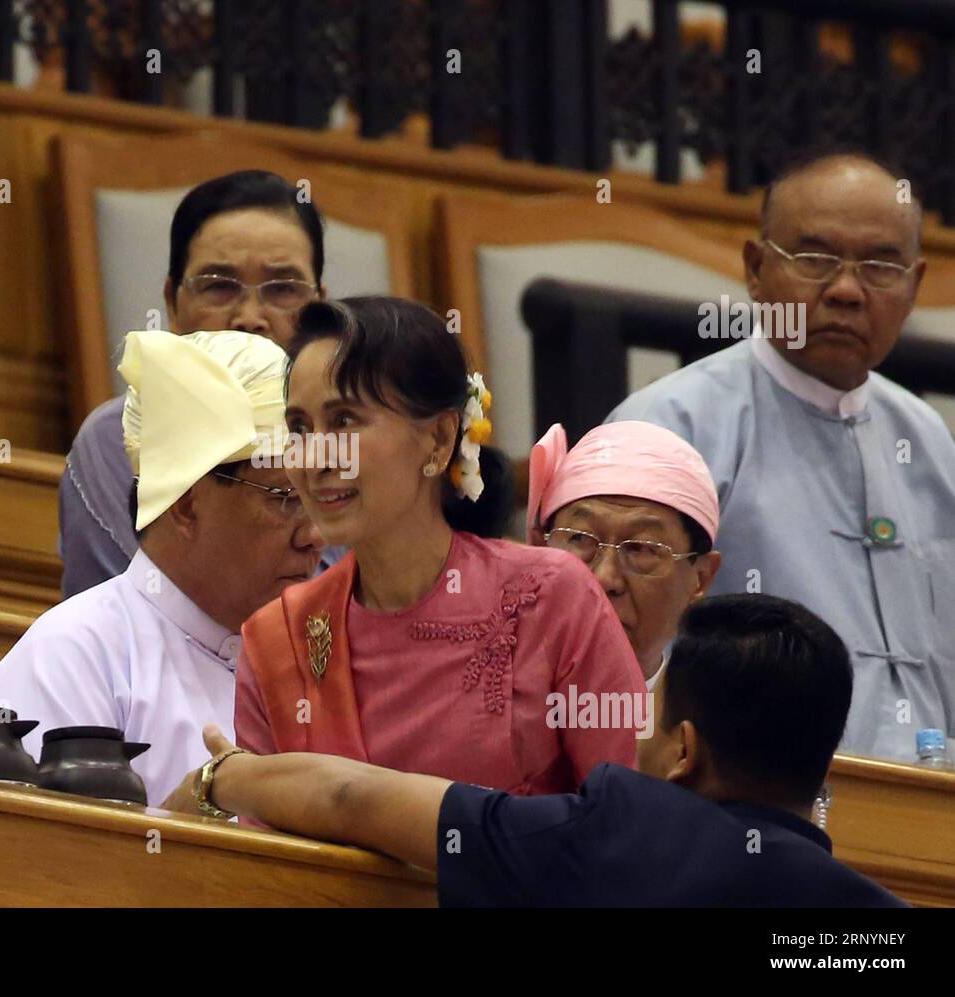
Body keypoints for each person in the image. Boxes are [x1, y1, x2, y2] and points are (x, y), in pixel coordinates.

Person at [196, 594, 905, 907]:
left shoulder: (619, 833)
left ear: (683, 749)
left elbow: (350, 797)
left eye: (651, 722)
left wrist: (223, 777)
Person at [607, 148, 955, 763]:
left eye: (880, 265)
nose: (846, 291)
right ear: (755, 266)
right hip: (751, 811)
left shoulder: (927, 438)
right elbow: (614, 659)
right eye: (817, 259)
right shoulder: (670, 427)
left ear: (915, 285)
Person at [231, 297, 645, 801]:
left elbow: (628, 824)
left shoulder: (552, 599)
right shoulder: (279, 640)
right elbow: (266, 860)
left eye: (344, 422)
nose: (314, 458)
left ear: (439, 439)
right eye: (299, 428)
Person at [0, 329, 324, 806]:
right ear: (186, 506)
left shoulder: (323, 654)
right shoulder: (78, 655)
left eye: (320, 499)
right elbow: (29, 863)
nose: (314, 536)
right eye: (287, 500)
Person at [59, 170, 325, 598]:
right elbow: (150, 614)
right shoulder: (116, 440)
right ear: (171, 303)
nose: (250, 317)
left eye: (283, 290)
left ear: (320, 312)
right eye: (219, 286)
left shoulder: (357, 437)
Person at [527, 420, 723, 686]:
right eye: (580, 539)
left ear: (700, 578)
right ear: (538, 552)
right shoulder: (486, 710)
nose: (604, 579)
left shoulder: (713, 724)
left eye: (641, 549)